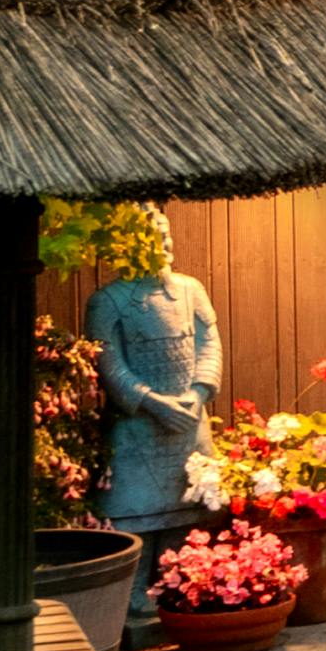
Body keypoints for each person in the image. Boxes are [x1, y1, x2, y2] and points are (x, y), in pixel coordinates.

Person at [84, 216, 228, 531]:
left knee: (192, 545)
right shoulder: (106, 302)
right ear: (124, 247)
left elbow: (209, 346)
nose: (161, 246)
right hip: (135, 433)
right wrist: (152, 403)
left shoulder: (191, 290)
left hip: (188, 427)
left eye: (165, 236)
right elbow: (109, 364)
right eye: (149, 239)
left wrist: (197, 394)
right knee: (133, 537)